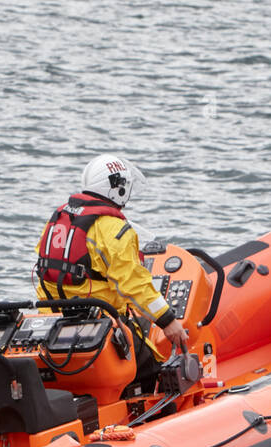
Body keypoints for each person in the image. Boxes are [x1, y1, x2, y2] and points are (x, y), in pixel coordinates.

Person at [33, 155, 188, 370]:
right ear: (117, 189)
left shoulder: (58, 220)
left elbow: (44, 271)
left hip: (53, 324)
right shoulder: (115, 230)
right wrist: (168, 321)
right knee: (156, 367)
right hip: (99, 326)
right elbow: (135, 285)